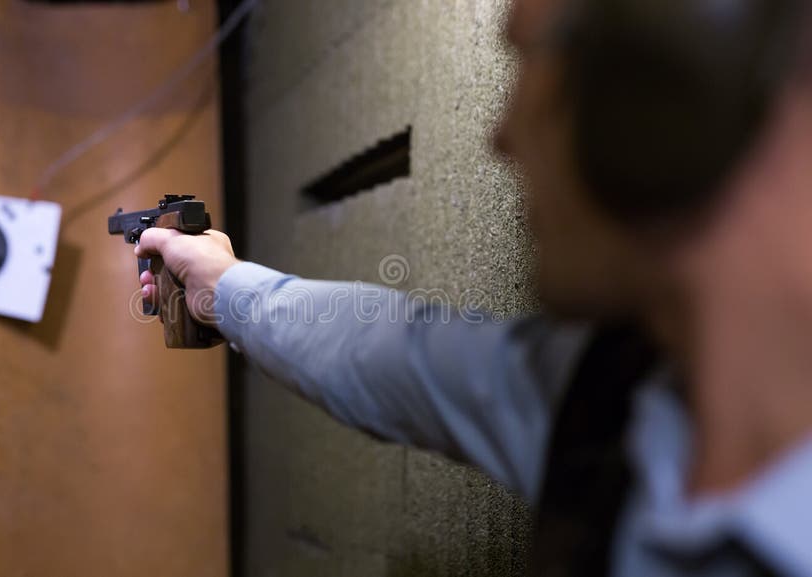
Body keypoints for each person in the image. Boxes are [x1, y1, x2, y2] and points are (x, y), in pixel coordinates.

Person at [135, 0, 812, 575]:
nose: (502, 136)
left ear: (677, 75)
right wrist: (223, 287)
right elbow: (384, 350)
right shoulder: (605, 400)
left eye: (534, 61)